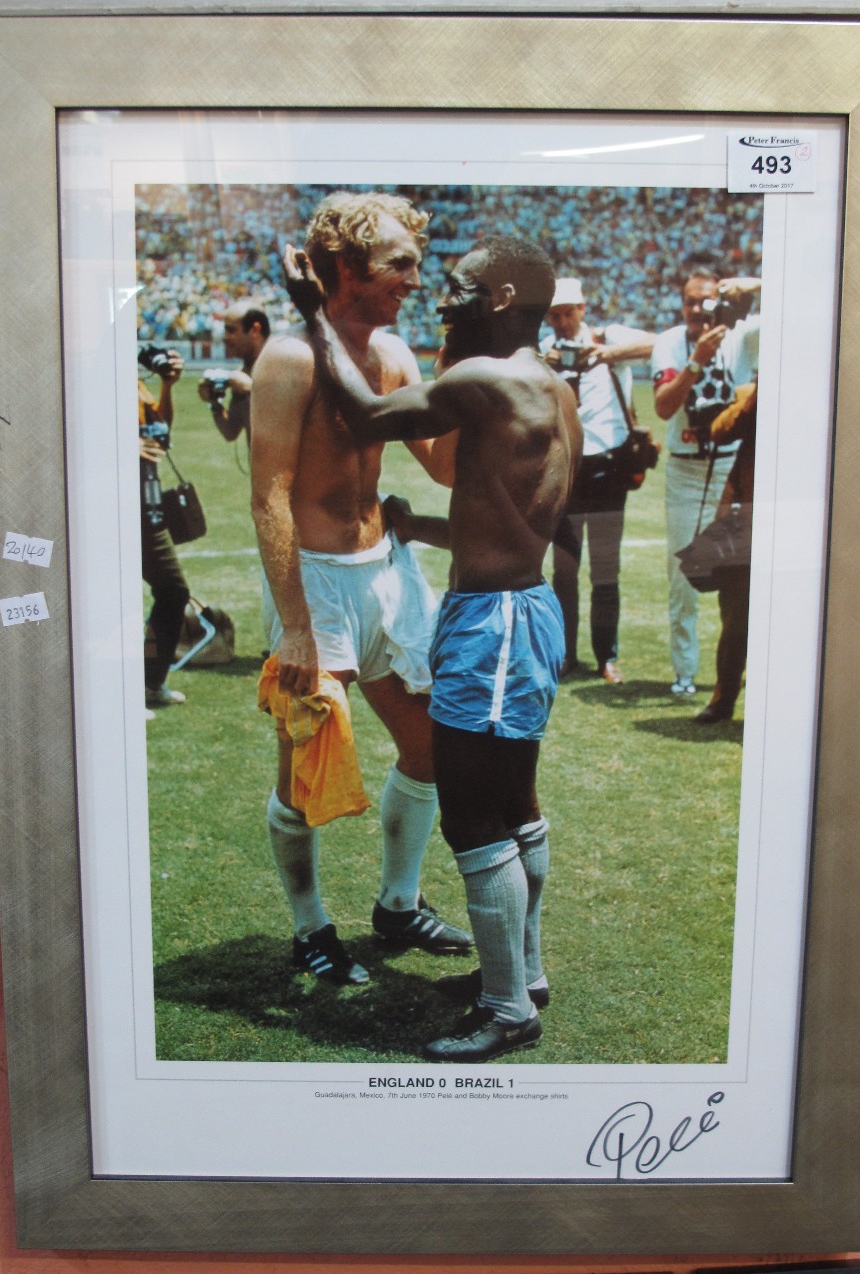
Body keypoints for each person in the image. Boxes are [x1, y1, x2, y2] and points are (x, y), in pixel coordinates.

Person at [283, 233, 582, 1062]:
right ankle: (525, 971)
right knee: (516, 802)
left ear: (497, 301)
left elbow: (367, 415)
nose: (439, 296)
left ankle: (507, 1008)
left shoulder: (482, 377)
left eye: (457, 285)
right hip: (525, 607)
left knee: (472, 812)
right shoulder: (551, 388)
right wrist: (428, 528)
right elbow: (516, 521)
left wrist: (312, 314)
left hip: (492, 624)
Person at [250, 191, 470, 990]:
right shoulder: (288, 358)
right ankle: (310, 928)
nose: (415, 277)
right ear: (346, 269)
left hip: (386, 571)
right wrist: (297, 627)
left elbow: (441, 466)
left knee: (431, 747)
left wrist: (465, 367)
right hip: (315, 581)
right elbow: (269, 496)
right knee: (306, 765)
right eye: (399, 263)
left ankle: (398, 903)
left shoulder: (399, 353)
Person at [652, 267, 760, 697]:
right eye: (690, 302)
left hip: (730, 472)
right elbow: (663, 407)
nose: (698, 309)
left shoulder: (742, 336)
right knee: (682, 576)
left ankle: (729, 675)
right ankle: (685, 671)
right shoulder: (671, 342)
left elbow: (794, 310)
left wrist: (754, 284)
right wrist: (695, 360)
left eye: (707, 300)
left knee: (735, 581)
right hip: (685, 468)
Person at [541, 277, 655, 683]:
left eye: (569, 313)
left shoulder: (609, 338)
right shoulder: (542, 352)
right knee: (564, 571)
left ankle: (607, 656)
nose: (563, 322)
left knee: (606, 569)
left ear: (583, 310)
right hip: (566, 471)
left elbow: (657, 345)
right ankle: (565, 655)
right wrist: (546, 364)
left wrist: (606, 353)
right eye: (554, 315)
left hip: (608, 470)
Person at [694, 380, 757, 724]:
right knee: (735, 618)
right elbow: (722, 431)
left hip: (798, 518)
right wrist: (758, 394)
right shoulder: (751, 393)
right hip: (745, 523)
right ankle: (723, 697)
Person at [139, 347, 190, 713]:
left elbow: (161, 429)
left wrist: (167, 386)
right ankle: (137, 683)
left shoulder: (134, 384)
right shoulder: (94, 378)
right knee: (111, 602)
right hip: (115, 505)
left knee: (173, 590)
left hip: (146, 504)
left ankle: (150, 681)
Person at [198, 297, 270, 448]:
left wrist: (252, 389)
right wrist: (214, 402)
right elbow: (230, 431)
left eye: (231, 330)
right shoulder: (243, 373)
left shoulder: (284, 363)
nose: (225, 338)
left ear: (255, 330)